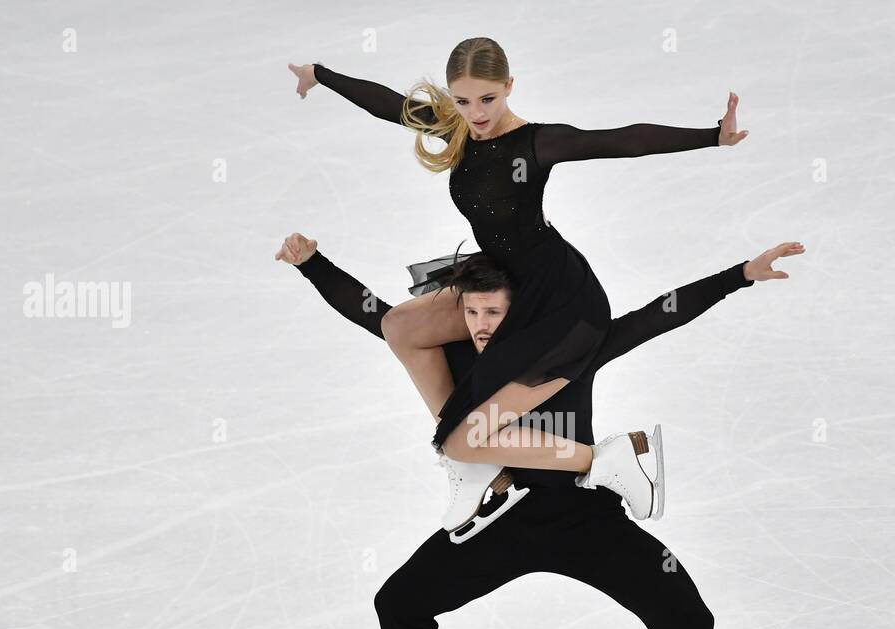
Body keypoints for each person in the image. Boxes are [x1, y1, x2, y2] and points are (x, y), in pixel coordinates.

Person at [276, 230, 805, 629]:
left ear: (520, 308)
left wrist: (741, 274)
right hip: (501, 517)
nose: (479, 324)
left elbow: (659, 316)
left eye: (493, 312)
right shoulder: (457, 357)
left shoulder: (569, 347)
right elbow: (378, 316)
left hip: (585, 516)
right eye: (471, 311)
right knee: (399, 605)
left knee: (689, 619)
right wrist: (313, 264)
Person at [287, 37, 749, 512]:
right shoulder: (459, 130)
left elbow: (619, 141)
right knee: (399, 326)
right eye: (462, 100)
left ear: (509, 86)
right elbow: (391, 106)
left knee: (464, 436)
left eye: (487, 98)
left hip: (561, 303)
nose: (476, 112)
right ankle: (474, 465)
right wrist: (319, 74)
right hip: (505, 282)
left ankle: (603, 459)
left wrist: (713, 135)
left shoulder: (535, 143)